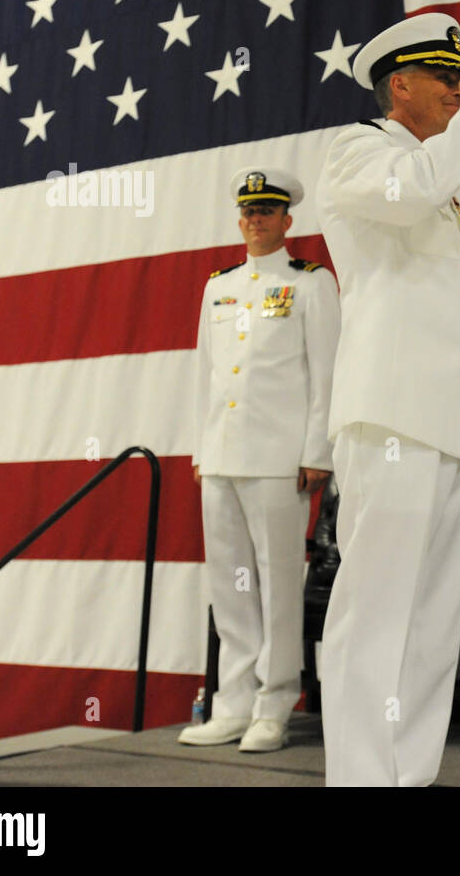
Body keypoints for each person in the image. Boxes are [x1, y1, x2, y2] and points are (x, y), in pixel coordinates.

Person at [314, 12, 460, 786]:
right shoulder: (361, 150)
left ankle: (410, 773)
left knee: (432, 622)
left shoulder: (439, 170)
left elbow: (448, 306)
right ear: (401, 85)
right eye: (450, 81)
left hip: (448, 423)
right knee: (375, 611)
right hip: (390, 413)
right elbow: (407, 197)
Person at [181, 168, 340, 752]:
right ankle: (232, 703)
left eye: (267, 211)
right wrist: (202, 446)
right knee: (230, 585)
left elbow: (327, 374)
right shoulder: (218, 286)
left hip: (279, 458)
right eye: (249, 211)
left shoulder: (311, 283)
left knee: (276, 583)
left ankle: (274, 703)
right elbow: (205, 374)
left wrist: (316, 450)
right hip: (222, 453)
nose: (256, 220)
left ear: (287, 220)